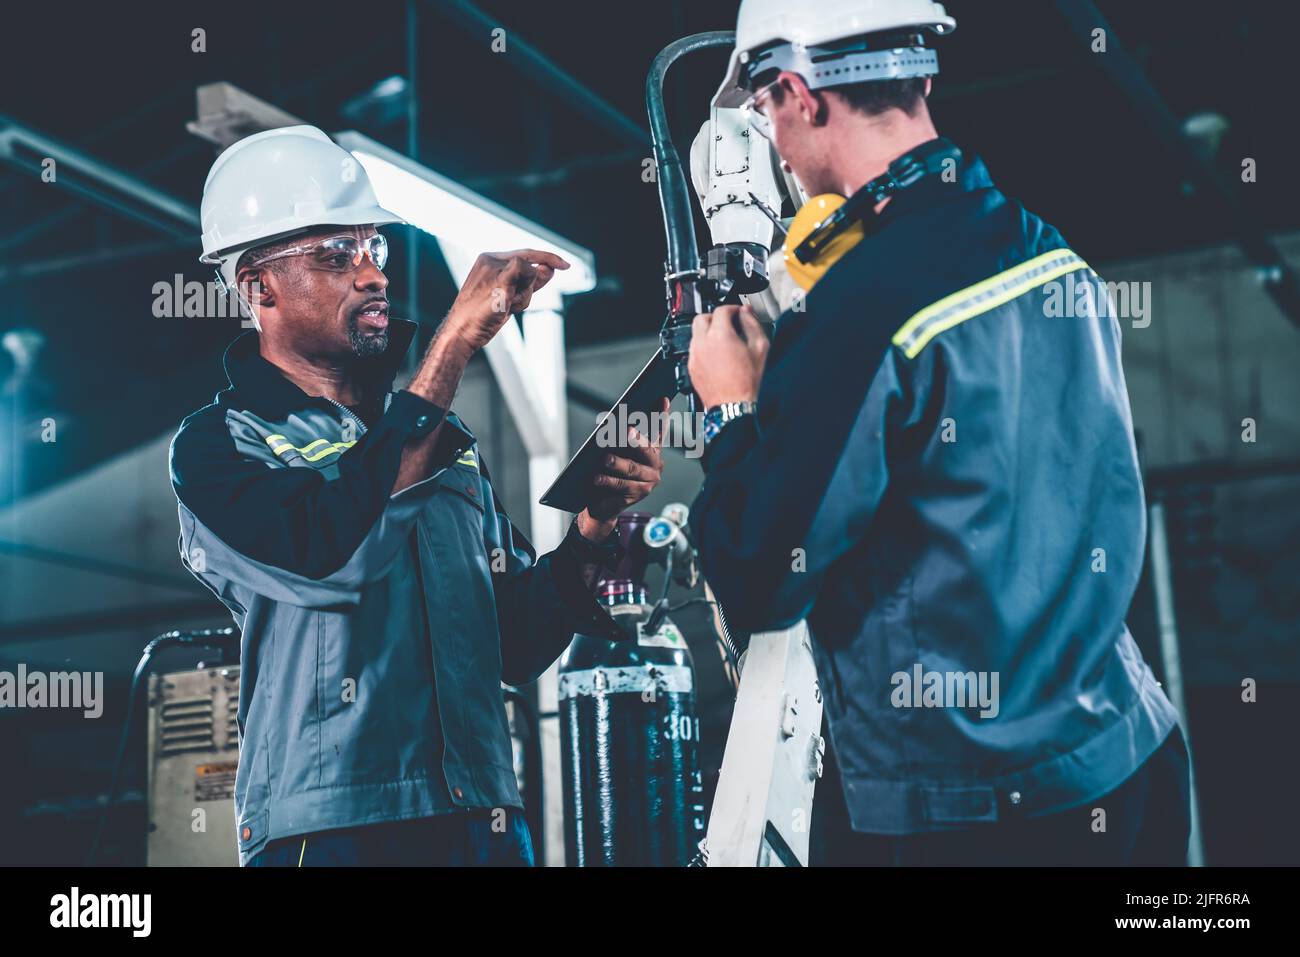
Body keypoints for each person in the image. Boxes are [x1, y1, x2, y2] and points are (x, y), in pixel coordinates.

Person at [687, 0, 1190, 865]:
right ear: (919, 73)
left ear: (802, 95)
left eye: (765, 107)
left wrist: (732, 408)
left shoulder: (859, 315)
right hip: (1129, 749)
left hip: (981, 811)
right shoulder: (1047, 250)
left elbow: (760, 573)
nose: (767, 132)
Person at [170, 126, 664, 866]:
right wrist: (452, 347)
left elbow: (517, 641)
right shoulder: (220, 444)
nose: (371, 274)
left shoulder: (443, 443)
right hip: (334, 829)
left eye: (376, 250)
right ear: (257, 286)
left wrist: (590, 531)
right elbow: (328, 557)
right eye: (337, 255)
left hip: (484, 814)